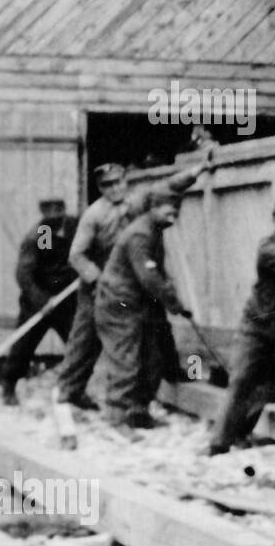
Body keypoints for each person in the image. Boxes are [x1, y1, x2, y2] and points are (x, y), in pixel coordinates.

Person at [57, 152, 212, 410]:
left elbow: (169, 187)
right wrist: (97, 278)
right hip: (100, 283)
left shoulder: (137, 201)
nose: (115, 188)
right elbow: (76, 256)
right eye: (108, 185)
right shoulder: (94, 215)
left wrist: (198, 170)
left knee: (158, 326)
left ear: (125, 181)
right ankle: (70, 391)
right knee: (85, 340)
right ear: (100, 188)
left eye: (118, 182)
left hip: (137, 281)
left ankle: (171, 371)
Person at [206, 191, 275, 455]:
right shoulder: (268, 248)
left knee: (267, 387)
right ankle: (219, 443)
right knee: (241, 379)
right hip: (256, 328)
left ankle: (241, 433)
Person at [95, 186, 192, 430]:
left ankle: (138, 412)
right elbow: (149, 278)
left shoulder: (155, 229)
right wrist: (174, 303)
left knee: (152, 356)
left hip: (138, 303)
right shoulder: (140, 234)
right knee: (126, 360)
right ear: (154, 208)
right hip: (119, 304)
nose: (175, 214)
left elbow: (155, 274)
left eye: (177, 210)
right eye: (170, 209)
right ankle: (116, 419)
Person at [0, 197, 80, 405]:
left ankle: (76, 390)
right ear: (43, 213)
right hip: (38, 300)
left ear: (63, 210)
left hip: (65, 299)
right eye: (48, 211)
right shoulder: (44, 234)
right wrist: (41, 299)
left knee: (77, 344)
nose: (53, 215)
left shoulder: (74, 226)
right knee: (23, 346)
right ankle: (9, 386)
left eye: (57, 210)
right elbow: (25, 273)